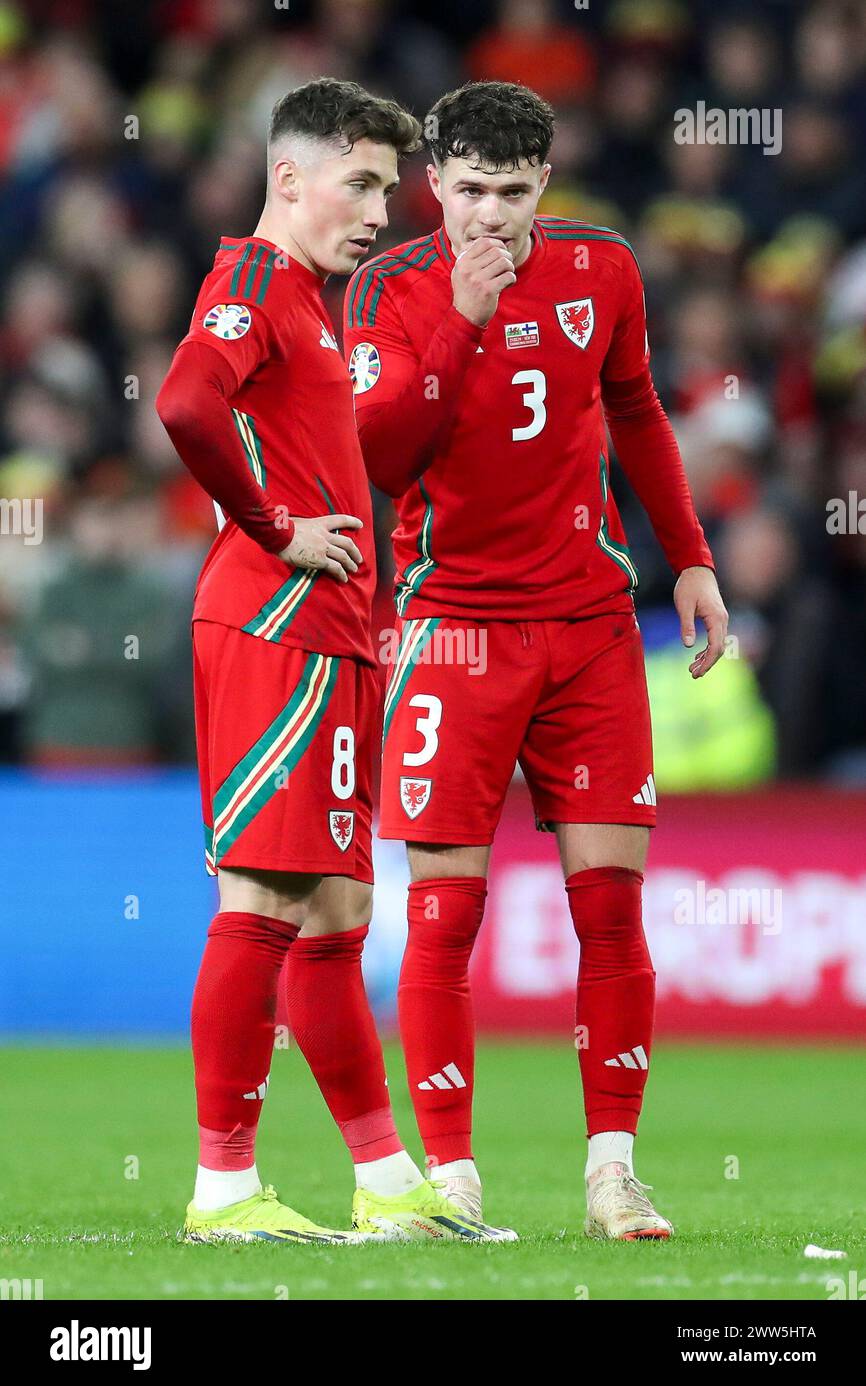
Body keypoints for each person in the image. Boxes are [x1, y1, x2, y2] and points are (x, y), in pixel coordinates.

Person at [344, 80, 728, 1239]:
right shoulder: (388, 286)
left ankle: (612, 1168)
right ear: (432, 187)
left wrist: (693, 559)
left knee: (609, 909)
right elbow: (383, 452)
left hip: (586, 626)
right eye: (467, 193)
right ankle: (451, 1175)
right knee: (446, 919)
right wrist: (462, 315)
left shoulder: (602, 269)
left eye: (511, 195)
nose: (490, 219)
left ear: (543, 185)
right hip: (451, 628)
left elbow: (638, 410)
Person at [157, 77, 516, 1244]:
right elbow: (183, 404)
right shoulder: (255, 281)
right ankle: (222, 1187)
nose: (375, 208)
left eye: (385, 185)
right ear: (287, 179)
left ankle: (381, 1177)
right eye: (356, 182)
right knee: (261, 897)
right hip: (273, 624)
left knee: (338, 905)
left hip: (335, 636)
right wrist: (275, 529)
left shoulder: (311, 304)